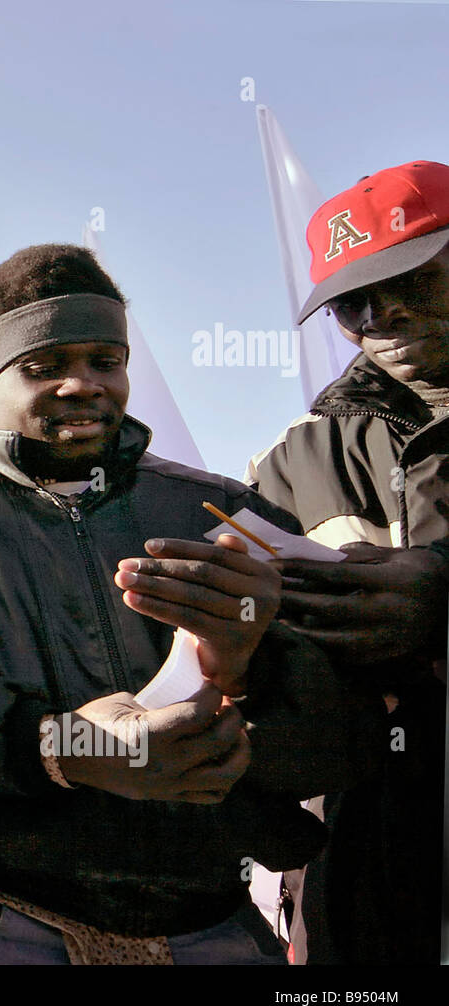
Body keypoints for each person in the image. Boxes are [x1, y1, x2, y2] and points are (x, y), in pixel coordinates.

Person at [0, 243, 383, 964]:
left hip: (209, 923)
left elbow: (341, 740)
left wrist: (247, 666)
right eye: (43, 365)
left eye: (104, 360)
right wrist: (66, 748)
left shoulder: (223, 511)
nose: (80, 384)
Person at [247, 159, 449, 964]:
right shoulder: (296, 459)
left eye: (410, 280)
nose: (382, 315)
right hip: (365, 868)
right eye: (351, 303)